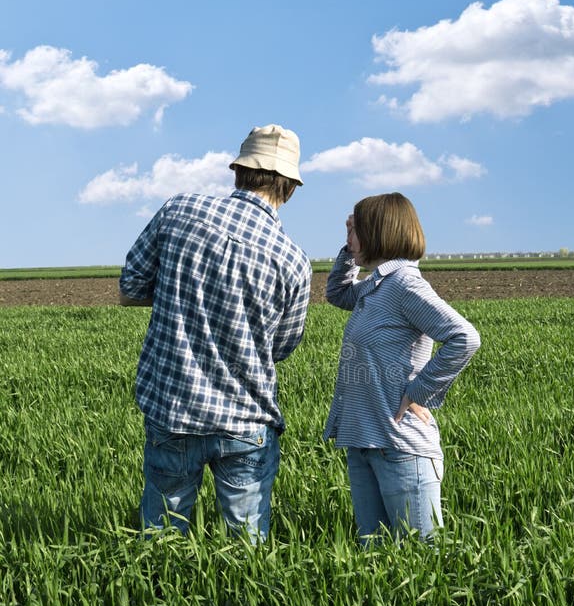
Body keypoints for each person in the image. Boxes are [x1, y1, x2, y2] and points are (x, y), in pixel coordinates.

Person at [119, 124, 312, 541]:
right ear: (290, 187)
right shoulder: (294, 260)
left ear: (238, 170)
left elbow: (130, 285)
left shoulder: (180, 210)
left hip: (173, 411)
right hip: (246, 421)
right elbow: (281, 347)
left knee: (160, 543)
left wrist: (181, 297)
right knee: (247, 551)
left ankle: (156, 602)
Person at [324, 192, 480, 544]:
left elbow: (464, 337)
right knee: (376, 564)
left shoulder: (405, 284)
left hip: (400, 447)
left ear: (378, 232)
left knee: (420, 564)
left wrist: (418, 392)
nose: (349, 237)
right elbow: (337, 293)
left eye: (355, 229)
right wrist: (349, 250)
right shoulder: (377, 287)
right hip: (364, 442)